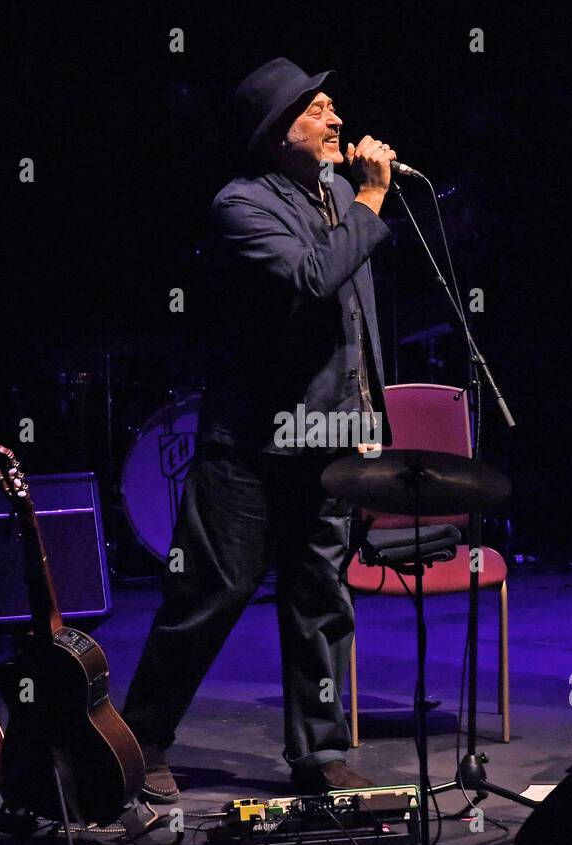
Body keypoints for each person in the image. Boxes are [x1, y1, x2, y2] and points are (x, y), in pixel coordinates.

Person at [120, 57, 396, 800]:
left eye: (335, 107)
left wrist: (369, 415)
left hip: (329, 439)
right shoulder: (242, 206)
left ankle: (319, 751)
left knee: (322, 602)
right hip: (248, 447)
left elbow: (356, 323)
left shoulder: (342, 196)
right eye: (319, 110)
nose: (338, 121)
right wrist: (370, 201)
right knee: (210, 597)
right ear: (278, 132)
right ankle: (140, 738)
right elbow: (310, 280)